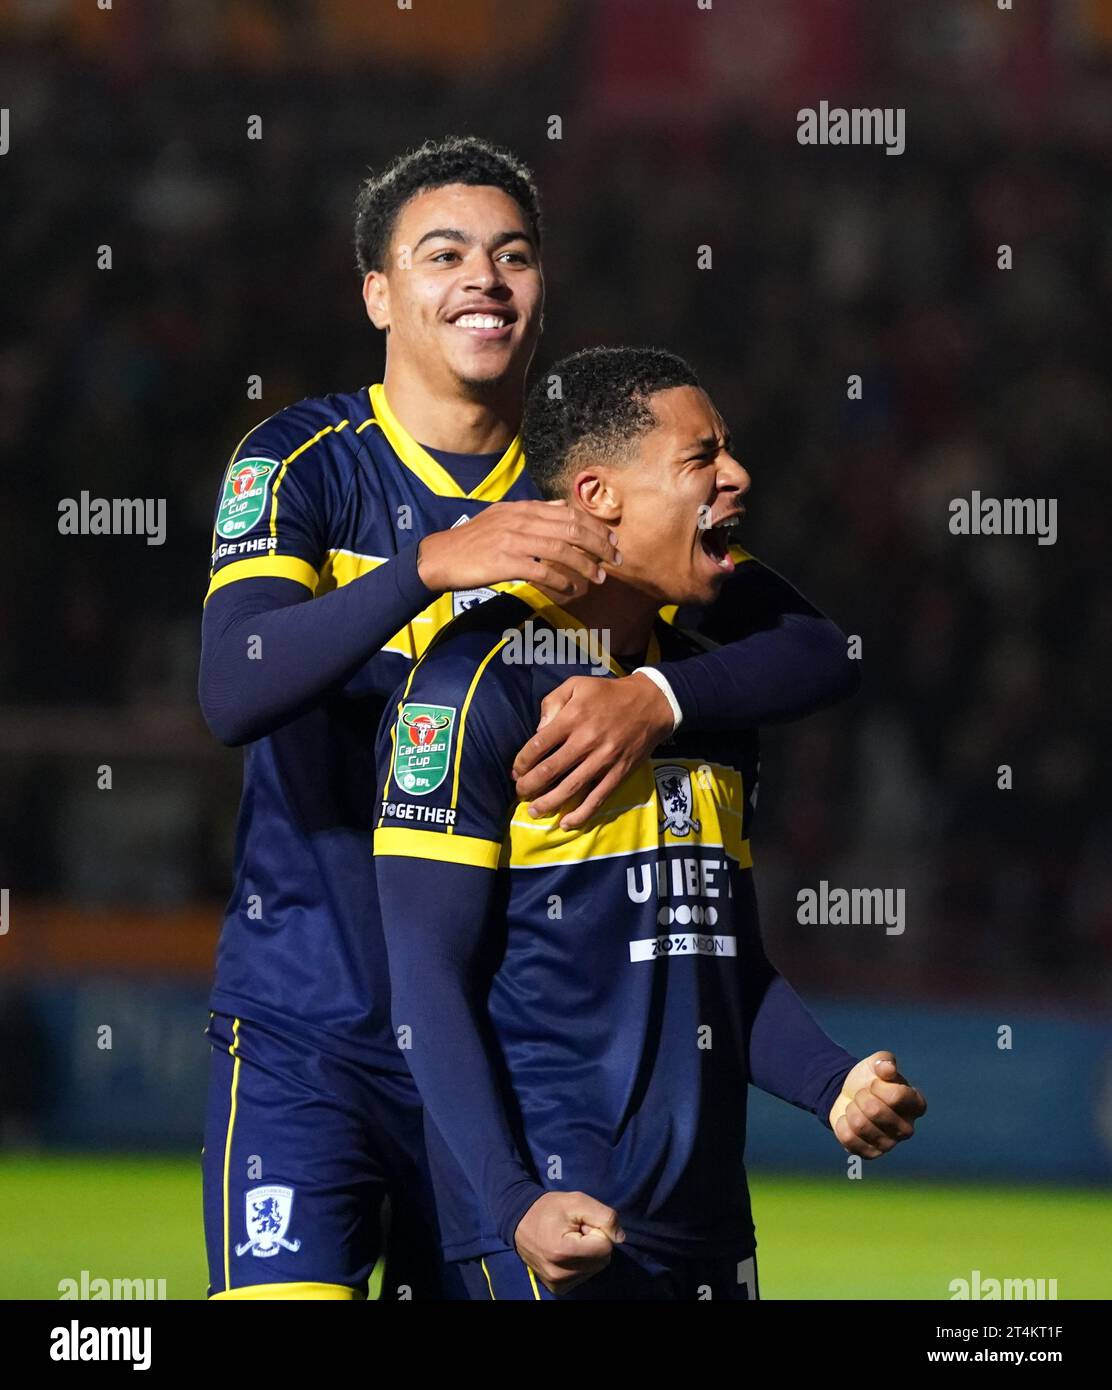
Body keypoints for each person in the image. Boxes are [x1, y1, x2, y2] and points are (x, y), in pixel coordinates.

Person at [198, 138, 858, 1300]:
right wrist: (425, 567)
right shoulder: (298, 461)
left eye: (513, 255)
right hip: (313, 1022)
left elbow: (813, 647)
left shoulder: (590, 483)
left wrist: (653, 697)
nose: (483, 279)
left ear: (543, 290)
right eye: (442, 253)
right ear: (378, 294)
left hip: (498, 1059)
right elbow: (233, 685)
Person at [374, 346, 926, 1301]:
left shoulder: (708, 703)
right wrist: (514, 1204)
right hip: (551, 1233)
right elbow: (425, 981)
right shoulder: (474, 693)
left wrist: (829, 1079)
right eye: (701, 458)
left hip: (706, 1233)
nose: (737, 477)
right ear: (600, 496)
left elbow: (719, 966)